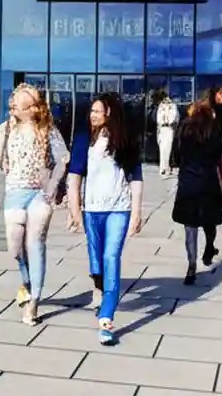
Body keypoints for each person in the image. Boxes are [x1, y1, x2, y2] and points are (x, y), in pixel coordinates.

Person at [0, 83, 69, 326]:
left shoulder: (48, 129)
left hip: (40, 194)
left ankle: (33, 303)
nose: (12, 109)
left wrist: (53, 184)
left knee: (36, 243)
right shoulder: (5, 130)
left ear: (32, 109)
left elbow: (63, 159)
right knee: (15, 247)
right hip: (14, 192)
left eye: (18, 106)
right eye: (11, 105)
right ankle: (27, 280)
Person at [66, 93, 144, 345]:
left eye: (98, 111)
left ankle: (107, 319)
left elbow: (136, 178)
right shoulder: (83, 140)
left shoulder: (124, 141)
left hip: (118, 209)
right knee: (96, 263)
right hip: (92, 210)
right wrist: (74, 209)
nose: (93, 115)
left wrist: (136, 212)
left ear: (111, 112)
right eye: (92, 111)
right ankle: (98, 285)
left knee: (111, 258)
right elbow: (75, 177)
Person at [172, 93, 222, 285]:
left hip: (188, 182)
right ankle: (210, 246)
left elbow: (176, 156)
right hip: (209, 180)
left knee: (190, 225)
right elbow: (219, 155)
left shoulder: (184, 127)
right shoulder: (214, 129)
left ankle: (191, 266)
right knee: (209, 220)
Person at [154, 90, 179, 177]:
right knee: (162, 149)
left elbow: (174, 118)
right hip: (163, 128)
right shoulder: (162, 106)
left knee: (167, 149)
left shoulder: (172, 106)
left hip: (168, 128)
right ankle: (163, 168)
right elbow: (158, 119)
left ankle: (165, 168)